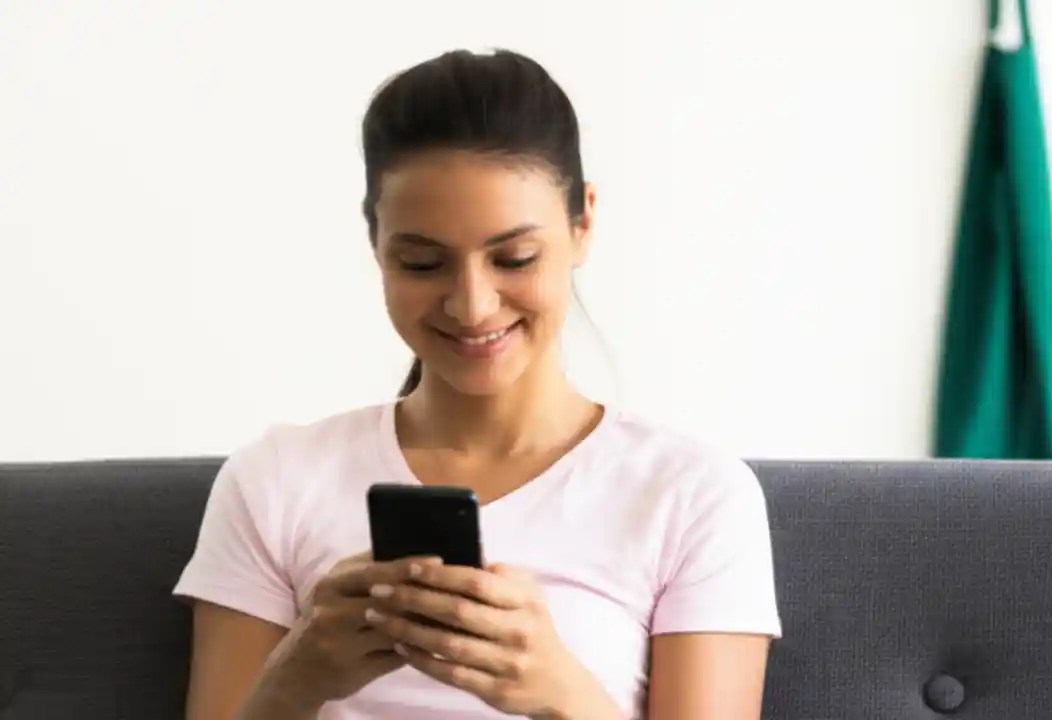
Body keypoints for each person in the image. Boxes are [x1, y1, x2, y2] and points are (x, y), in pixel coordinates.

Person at [174, 48, 780, 720]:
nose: (472, 306)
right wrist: (296, 677)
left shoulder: (691, 494)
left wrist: (561, 693)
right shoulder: (275, 480)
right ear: (376, 243)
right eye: (422, 262)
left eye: (514, 258)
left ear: (583, 224)